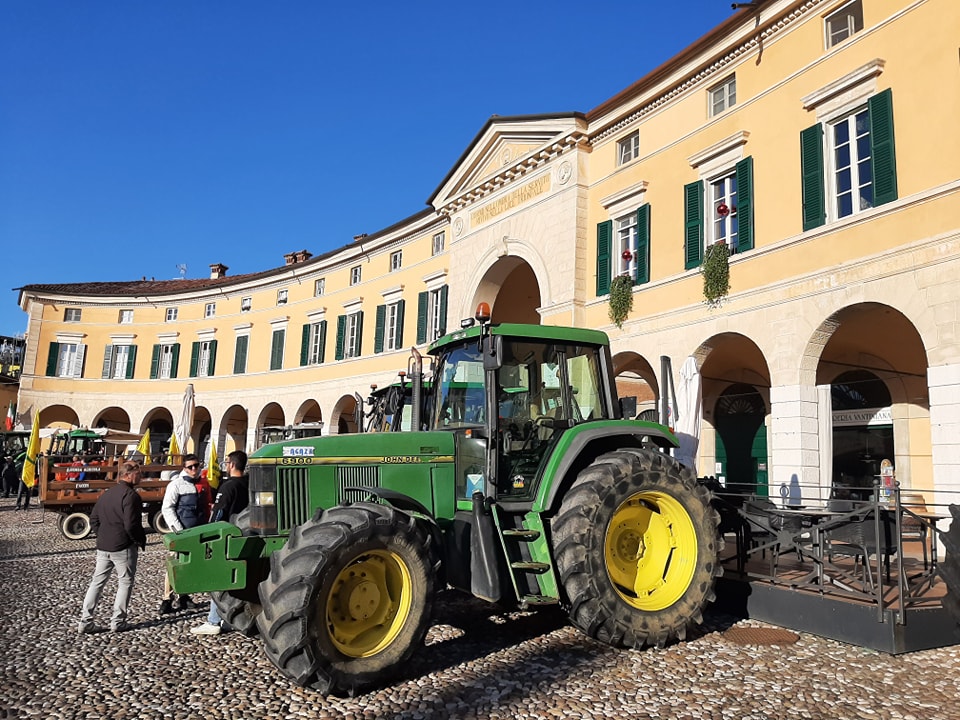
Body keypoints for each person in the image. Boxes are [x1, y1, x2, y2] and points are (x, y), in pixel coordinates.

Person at [77, 461, 147, 634]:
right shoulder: (131, 496)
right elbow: (131, 525)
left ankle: (85, 620)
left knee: (97, 583)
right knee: (125, 583)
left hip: (104, 546)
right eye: (138, 474)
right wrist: (138, 540)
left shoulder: (107, 494)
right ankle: (118, 621)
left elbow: (94, 519)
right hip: (123, 547)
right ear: (128, 475)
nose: (141, 477)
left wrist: (103, 535)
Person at [191, 450, 250, 636]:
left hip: (227, 534)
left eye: (226, 462)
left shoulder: (228, 486)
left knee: (218, 577)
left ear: (231, 464)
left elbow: (218, 512)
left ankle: (214, 619)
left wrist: (210, 532)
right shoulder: (249, 484)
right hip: (246, 533)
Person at [158, 453, 211, 614]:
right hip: (182, 532)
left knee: (190, 565)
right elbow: (167, 508)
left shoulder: (204, 483)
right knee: (174, 564)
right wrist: (178, 531)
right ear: (184, 468)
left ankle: (184, 597)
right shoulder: (176, 485)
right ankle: (167, 599)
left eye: (196, 465)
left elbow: (208, 505)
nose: (194, 469)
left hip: (198, 531)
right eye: (190, 466)